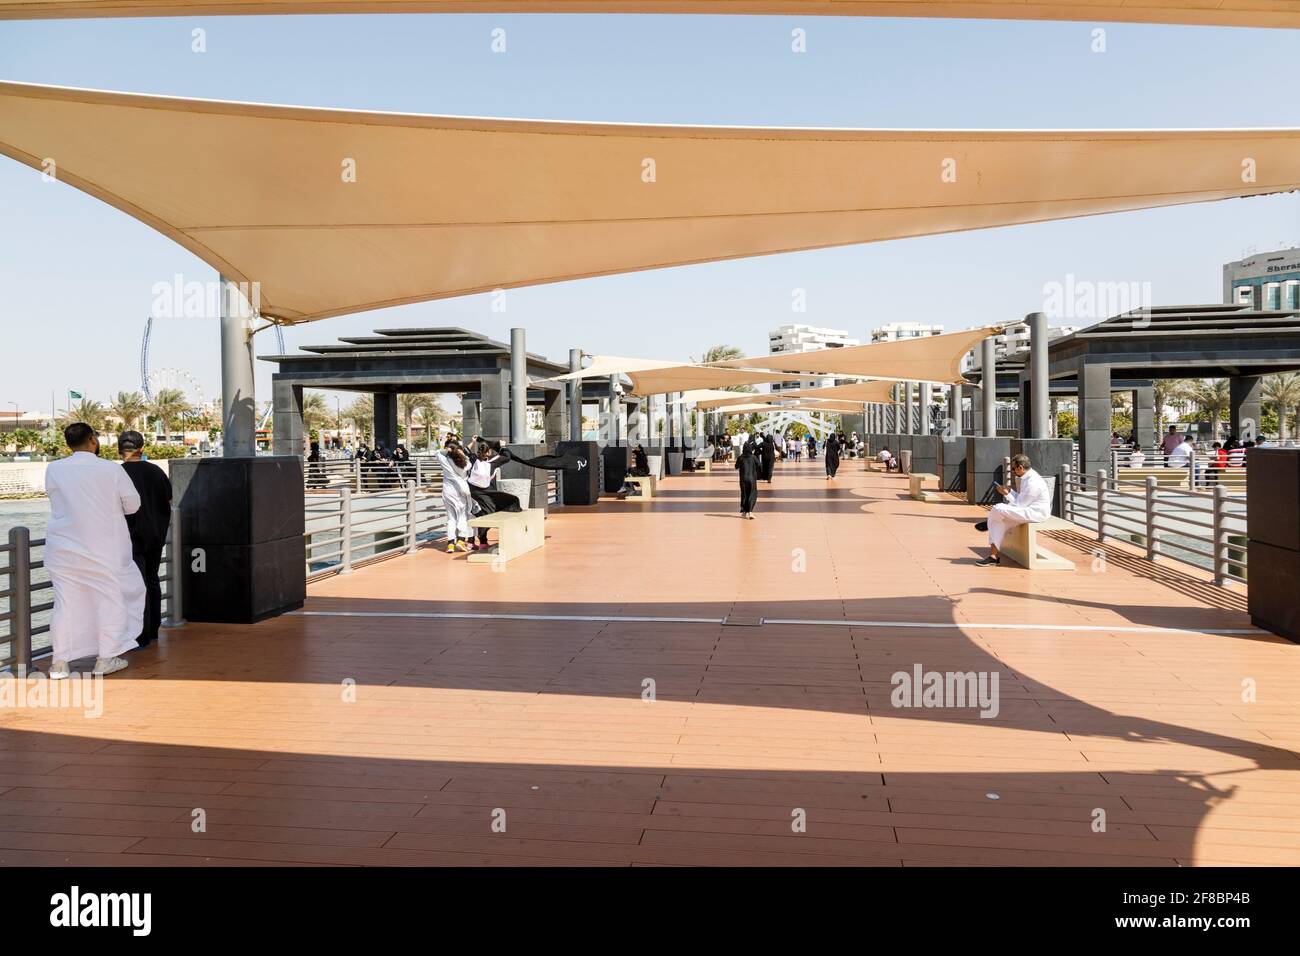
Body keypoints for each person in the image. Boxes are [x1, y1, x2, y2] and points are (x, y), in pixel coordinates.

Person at [43, 423, 146, 678]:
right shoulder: (110, 469)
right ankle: (106, 657)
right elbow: (132, 505)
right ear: (93, 440)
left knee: (66, 605)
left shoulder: (54, 469)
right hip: (105, 549)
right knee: (111, 600)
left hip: (63, 547)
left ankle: (59, 663)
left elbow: (55, 499)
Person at [117, 431, 172, 648]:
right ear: (142, 448)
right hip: (156, 536)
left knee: (134, 585)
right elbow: (167, 498)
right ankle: (154, 628)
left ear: (120, 449)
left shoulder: (117, 473)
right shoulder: (156, 471)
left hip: (130, 537)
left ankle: (140, 634)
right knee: (152, 579)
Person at [976, 453, 1052, 567]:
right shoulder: (1027, 477)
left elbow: (1020, 505)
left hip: (1036, 513)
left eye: (1013, 468)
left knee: (997, 509)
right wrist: (1008, 492)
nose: (1012, 471)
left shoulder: (1033, 482)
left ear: (1020, 467)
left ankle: (989, 522)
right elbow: (1021, 500)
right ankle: (993, 557)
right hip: (1027, 509)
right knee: (998, 521)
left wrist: (1007, 495)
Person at [466, 441, 521, 550]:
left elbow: (466, 450)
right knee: (489, 512)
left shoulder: (473, 459)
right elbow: (507, 457)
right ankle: (482, 540)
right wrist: (502, 446)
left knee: (475, 514)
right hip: (486, 491)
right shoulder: (492, 462)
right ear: (489, 451)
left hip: (472, 491)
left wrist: (472, 441)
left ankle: (473, 541)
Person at [434, 443, 473, 552]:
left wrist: (447, 451)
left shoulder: (445, 460)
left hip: (448, 491)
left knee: (451, 518)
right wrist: (461, 454)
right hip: (461, 491)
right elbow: (468, 463)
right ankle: (460, 540)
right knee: (462, 516)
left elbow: (436, 452)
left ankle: (450, 544)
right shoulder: (466, 463)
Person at [735, 438, 760, 519]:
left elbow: (736, 467)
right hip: (752, 479)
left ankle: (744, 511)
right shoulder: (753, 457)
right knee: (752, 494)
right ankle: (750, 511)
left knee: (744, 494)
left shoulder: (740, 457)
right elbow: (759, 465)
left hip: (743, 479)